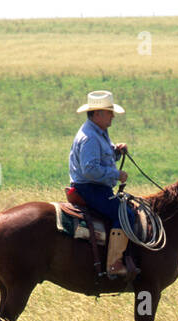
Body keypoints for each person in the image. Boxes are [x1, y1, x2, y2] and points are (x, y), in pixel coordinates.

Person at [68, 91, 131, 278]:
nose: (112, 116)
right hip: (89, 187)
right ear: (97, 114)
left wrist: (116, 152)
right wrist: (116, 174)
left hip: (93, 186)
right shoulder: (90, 138)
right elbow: (90, 169)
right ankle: (114, 264)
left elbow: (102, 157)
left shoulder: (99, 132)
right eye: (109, 112)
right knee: (125, 214)